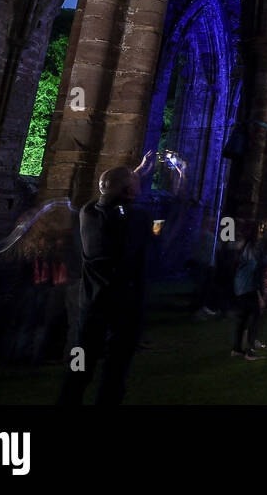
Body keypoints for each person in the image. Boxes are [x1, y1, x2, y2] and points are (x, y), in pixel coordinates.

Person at [59, 150, 163, 404]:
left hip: (92, 302)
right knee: (115, 367)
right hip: (123, 304)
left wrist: (136, 173)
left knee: (81, 360)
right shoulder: (133, 219)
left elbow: (113, 195)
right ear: (129, 193)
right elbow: (146, 230)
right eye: (136, 185)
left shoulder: (89, 211)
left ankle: (67, 400)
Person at [231, 224, 267, 360]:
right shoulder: (250, 249)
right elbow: (254, 267)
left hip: (240, 287)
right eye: (259, 230)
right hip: (249, 288)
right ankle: (250, 350)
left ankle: (237, 349)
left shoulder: (242, 246)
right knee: (255, 318)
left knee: (243, 319)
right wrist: (259, 293)